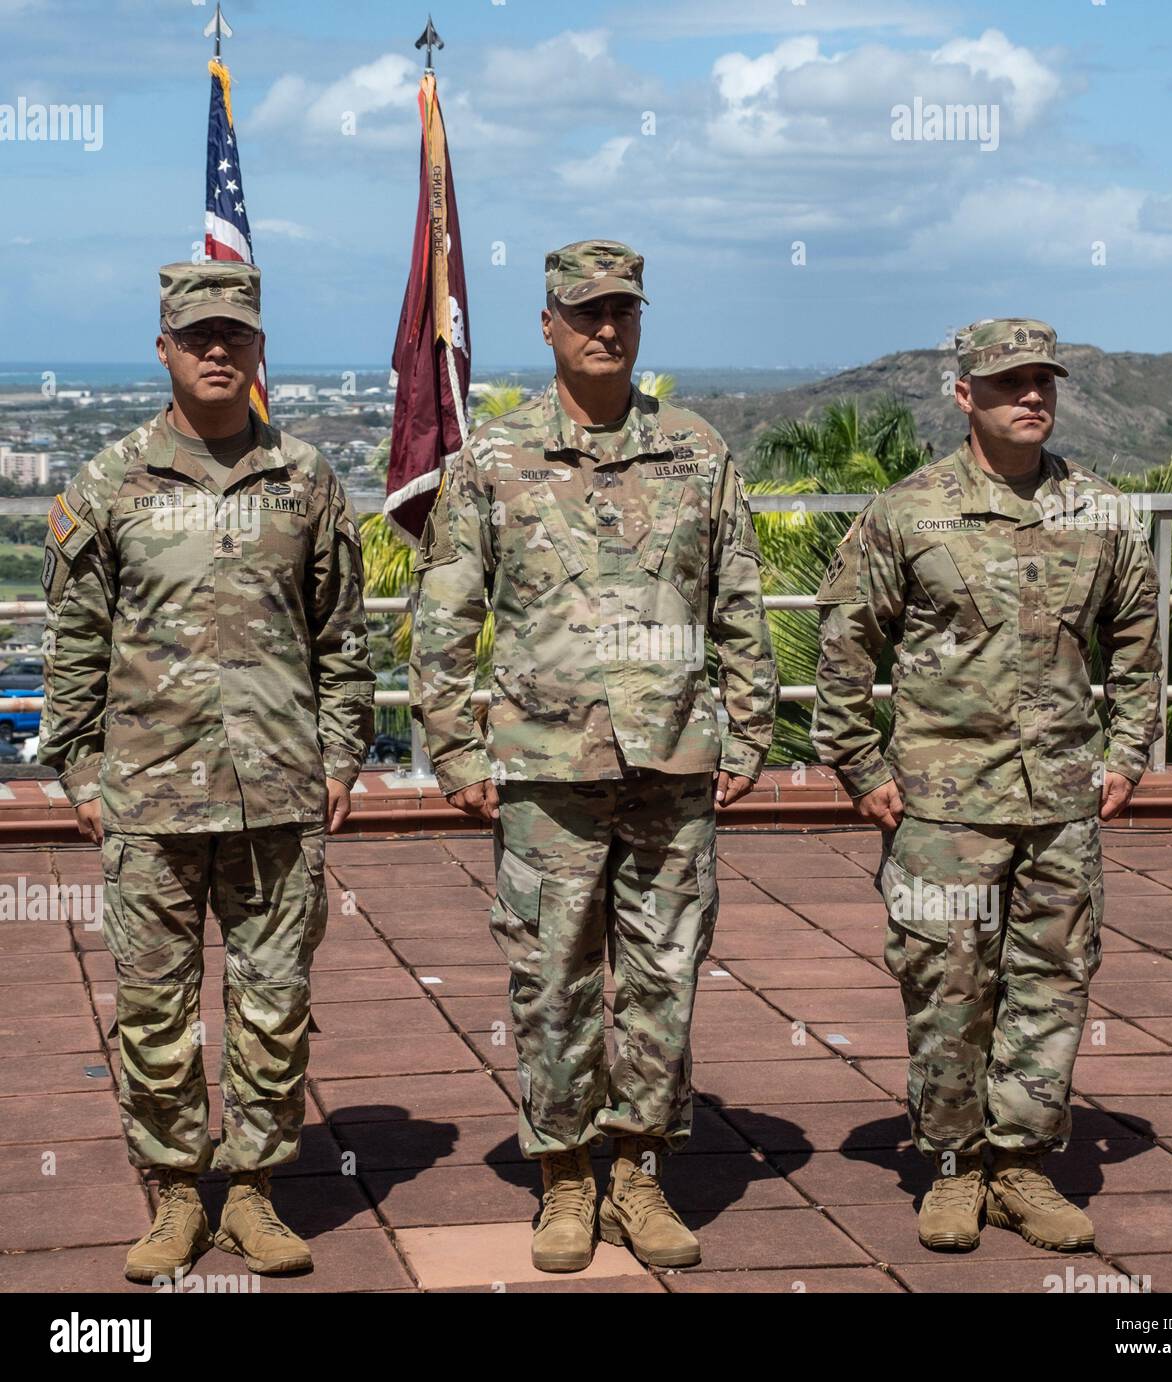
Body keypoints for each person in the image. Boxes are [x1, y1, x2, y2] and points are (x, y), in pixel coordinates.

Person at [411, 240, 777, 1270]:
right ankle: (564, 1175)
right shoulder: (494, 458)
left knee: (666, 973)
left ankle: (640, 1166)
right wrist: (451, 747)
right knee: (553, 976)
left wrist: (748, 727)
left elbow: (738, 600)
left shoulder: (695, 450)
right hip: (547, 767)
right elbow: (444, 614)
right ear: (547, 326)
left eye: (621, 310)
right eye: (584, 313)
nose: (605, 328)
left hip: (670, 762)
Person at [39, 261, 374, 1281]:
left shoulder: (306, 479)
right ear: (164, 349)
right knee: (153, 1009)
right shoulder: (109, 482)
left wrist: (344, 752)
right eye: (197, 335)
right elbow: (75, 642)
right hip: (148, 795)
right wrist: (83, 774)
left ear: (259, 346)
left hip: (278, 792)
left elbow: (342, 637)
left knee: (272, 1005)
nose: (217, 349)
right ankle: (178, 1191)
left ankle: (258, 1192)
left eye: (234, 333)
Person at [813, 318, 1161, 1252]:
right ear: (964, 394)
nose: (1032, 397)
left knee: (1054, 981)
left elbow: (1135, 649)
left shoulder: (1102, 512)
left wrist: (1126, 754)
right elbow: (846, 642)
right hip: (941, 803)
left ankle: (1023, 1164)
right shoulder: (907, 513)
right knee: (948, 981)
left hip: (1059, 802)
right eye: (1009, 383)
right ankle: (954, 1165)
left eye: (1043, 380)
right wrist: (858, 763)